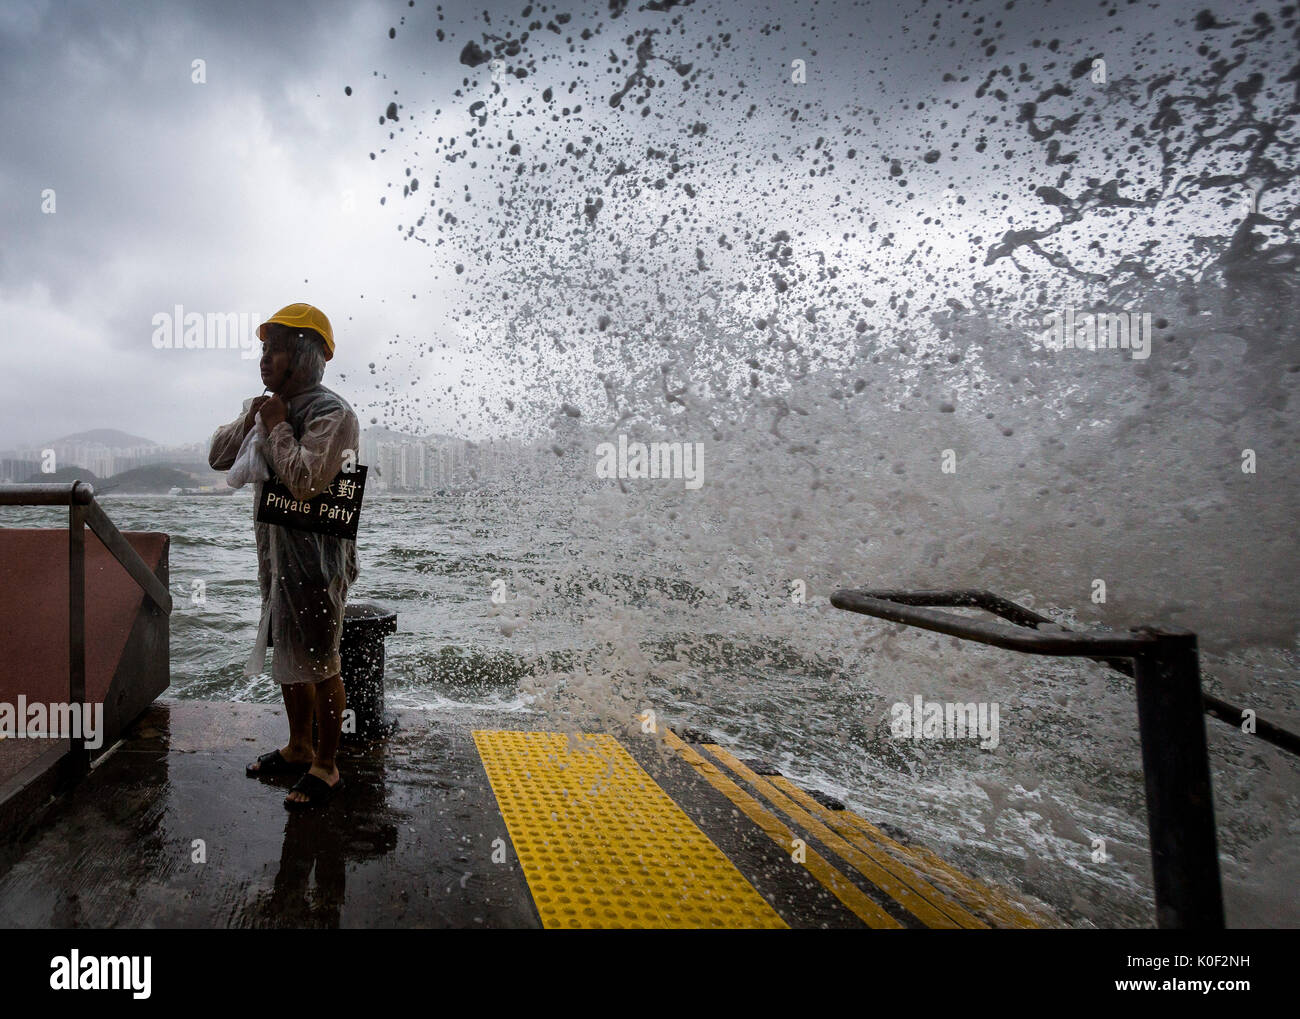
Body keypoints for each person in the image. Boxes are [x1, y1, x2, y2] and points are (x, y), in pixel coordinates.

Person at [208, 303, 360, 809]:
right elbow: (218, 457)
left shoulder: (332, 414)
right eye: (263, 348)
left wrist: (276, 425)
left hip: (318, 564)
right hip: (274, 560)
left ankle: (326, 764)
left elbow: (307, 482)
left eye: (275, 349)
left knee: (321, 659)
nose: (264, 359)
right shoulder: (266, 405)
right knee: (286, 653)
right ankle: (298, 747)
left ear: (304, 355)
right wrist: (258, 415)